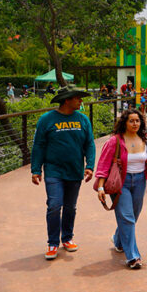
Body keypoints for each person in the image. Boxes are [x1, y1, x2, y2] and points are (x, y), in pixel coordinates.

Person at [31, 86, 95, 260]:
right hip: (53, 170)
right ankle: (53, 243)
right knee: (54, 205)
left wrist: (90, 165)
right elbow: (39, 145)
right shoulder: (47, 119)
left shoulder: (83, 119)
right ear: (67, 100)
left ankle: (67, 238)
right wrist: (36, 169)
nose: (81, 101)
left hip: (75, 170)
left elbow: (89, 144)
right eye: (77, 98)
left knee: (70, 207)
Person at [94, 109, 147, 269]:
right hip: (120, 183)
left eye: (137, 121)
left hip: (139, 181)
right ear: (125, 122)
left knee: (134, 215)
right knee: (127, 217)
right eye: (131, 121)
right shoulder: (115, 141)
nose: (135, 124)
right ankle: (133, 256)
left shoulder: (146, 140)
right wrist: (100, 187)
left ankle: (118, 240)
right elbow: (104, 164)